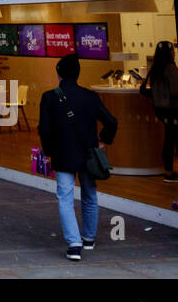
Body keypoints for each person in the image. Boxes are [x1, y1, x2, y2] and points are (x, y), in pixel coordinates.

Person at [38, 54, 118, 261]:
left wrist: (49, 152)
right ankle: (89, 238)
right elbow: (111, 121)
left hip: (63, 155)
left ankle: (74, 244)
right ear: (78, 73)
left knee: (65, 198)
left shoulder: (49, 97)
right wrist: (102, 141)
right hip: (87, 154)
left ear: (59, 73)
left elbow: (44, 130)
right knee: (90, 196)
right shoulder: (90, 97)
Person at [141, 41, 178, 181]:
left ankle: (169, 171)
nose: (175, 52)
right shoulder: (170, 68)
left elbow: (143, 89)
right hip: (172, 109)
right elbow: (176, 90)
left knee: (169, 140)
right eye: (173, 50)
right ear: (169, 53)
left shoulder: (155, 68)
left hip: (159, 110)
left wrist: (155, 96)